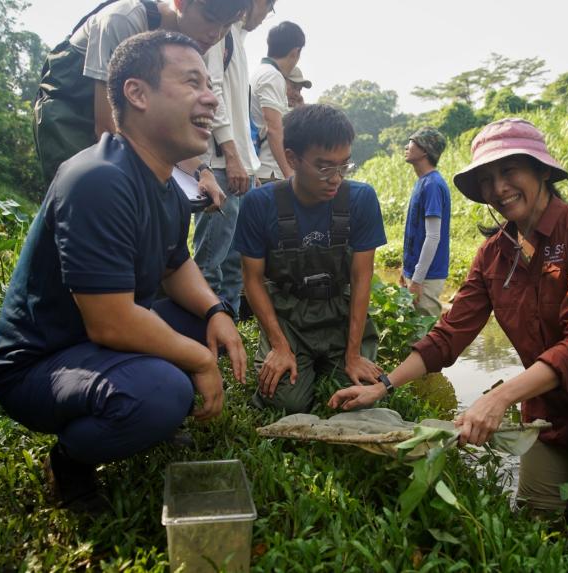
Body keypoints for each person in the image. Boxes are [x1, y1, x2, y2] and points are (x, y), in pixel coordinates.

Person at [329, 118, 568, 530]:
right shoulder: (493, 254)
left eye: (509, 171)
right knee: (537, 524)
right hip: (549, 416)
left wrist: (498, 397)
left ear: (541, 170)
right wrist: (383, 385)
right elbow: (449, 334)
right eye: (487, 179)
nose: (498, 187)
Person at [0, 30, 247, 509]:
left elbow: (176, 264)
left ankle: (142, 413)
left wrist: (216, 310)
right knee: (164, 391)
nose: (211, 98)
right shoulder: (98, 179)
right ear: (137, 93)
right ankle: (71, 461)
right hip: (41, 363)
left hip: (97, 343)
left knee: (200, 323)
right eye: (193, 82)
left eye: (210, 84)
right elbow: (111, 321)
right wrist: (201, 361)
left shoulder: (166, 184)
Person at [235, 104, 387, 414]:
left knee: (360, 396)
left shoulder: (362, 199)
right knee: (286, 404)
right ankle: (291, 358)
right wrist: (279, 344)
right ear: (291, 158)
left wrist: (354, 353)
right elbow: (252, 280)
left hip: (340, 313)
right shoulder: (258, 205)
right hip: (289, 317)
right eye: (324, 167)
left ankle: (339, 360)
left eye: (344, 166)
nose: (336, 178)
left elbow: (360, 279)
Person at [33, 0, 249, 188]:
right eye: (210, 18)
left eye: (226, 25)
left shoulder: (198, 45)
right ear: (181, 2)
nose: (216, 34)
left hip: (119, 126)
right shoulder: (122, 19)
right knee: (82, 192)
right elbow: (107, 129)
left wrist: (202, 172)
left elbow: (168, 127)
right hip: (69, 111)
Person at [193, 0, 277, 316]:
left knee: (233, 257)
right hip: (219, 164)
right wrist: (231, 155)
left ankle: (229, 321)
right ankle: (204, 324)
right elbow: (211, 90)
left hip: (240, 165)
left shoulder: (237, 41)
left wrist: (246, 161)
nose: (264, 15)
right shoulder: (221, 35)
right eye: (267, 7)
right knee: (211, 258)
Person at [400, 127, 451, 316]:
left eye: (411, 142)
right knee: (412, 337)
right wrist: (405, 271)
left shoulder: (432, 185)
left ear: (424, 150)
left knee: (425, 337)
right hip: (415, 274)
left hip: (426, 277)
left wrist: (418, 280)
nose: (406, 146)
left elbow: (433, 236)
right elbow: (415, 231)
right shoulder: (423, 182)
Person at [249, 21, 305, 184]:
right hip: (270, 172)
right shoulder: (273, 76)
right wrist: (289, 175)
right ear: (295, 52)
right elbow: (274, 128)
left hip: (262, 168)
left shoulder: (260, 72)